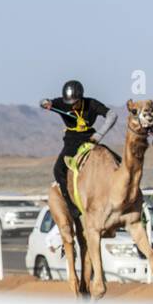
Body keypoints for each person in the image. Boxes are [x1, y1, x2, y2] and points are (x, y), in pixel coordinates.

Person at [40, 80, 116, 216]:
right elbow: (44, 102)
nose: (72, 106)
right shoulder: (62, 103)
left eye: (75, 103)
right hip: (71, 142)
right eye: (69, 104)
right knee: (58, 170)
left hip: (91, 139)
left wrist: (99, 135)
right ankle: (71, 205)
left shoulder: (92, 104)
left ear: (81, 98)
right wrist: (45, 102)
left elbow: (112, 115)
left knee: (117, 161)